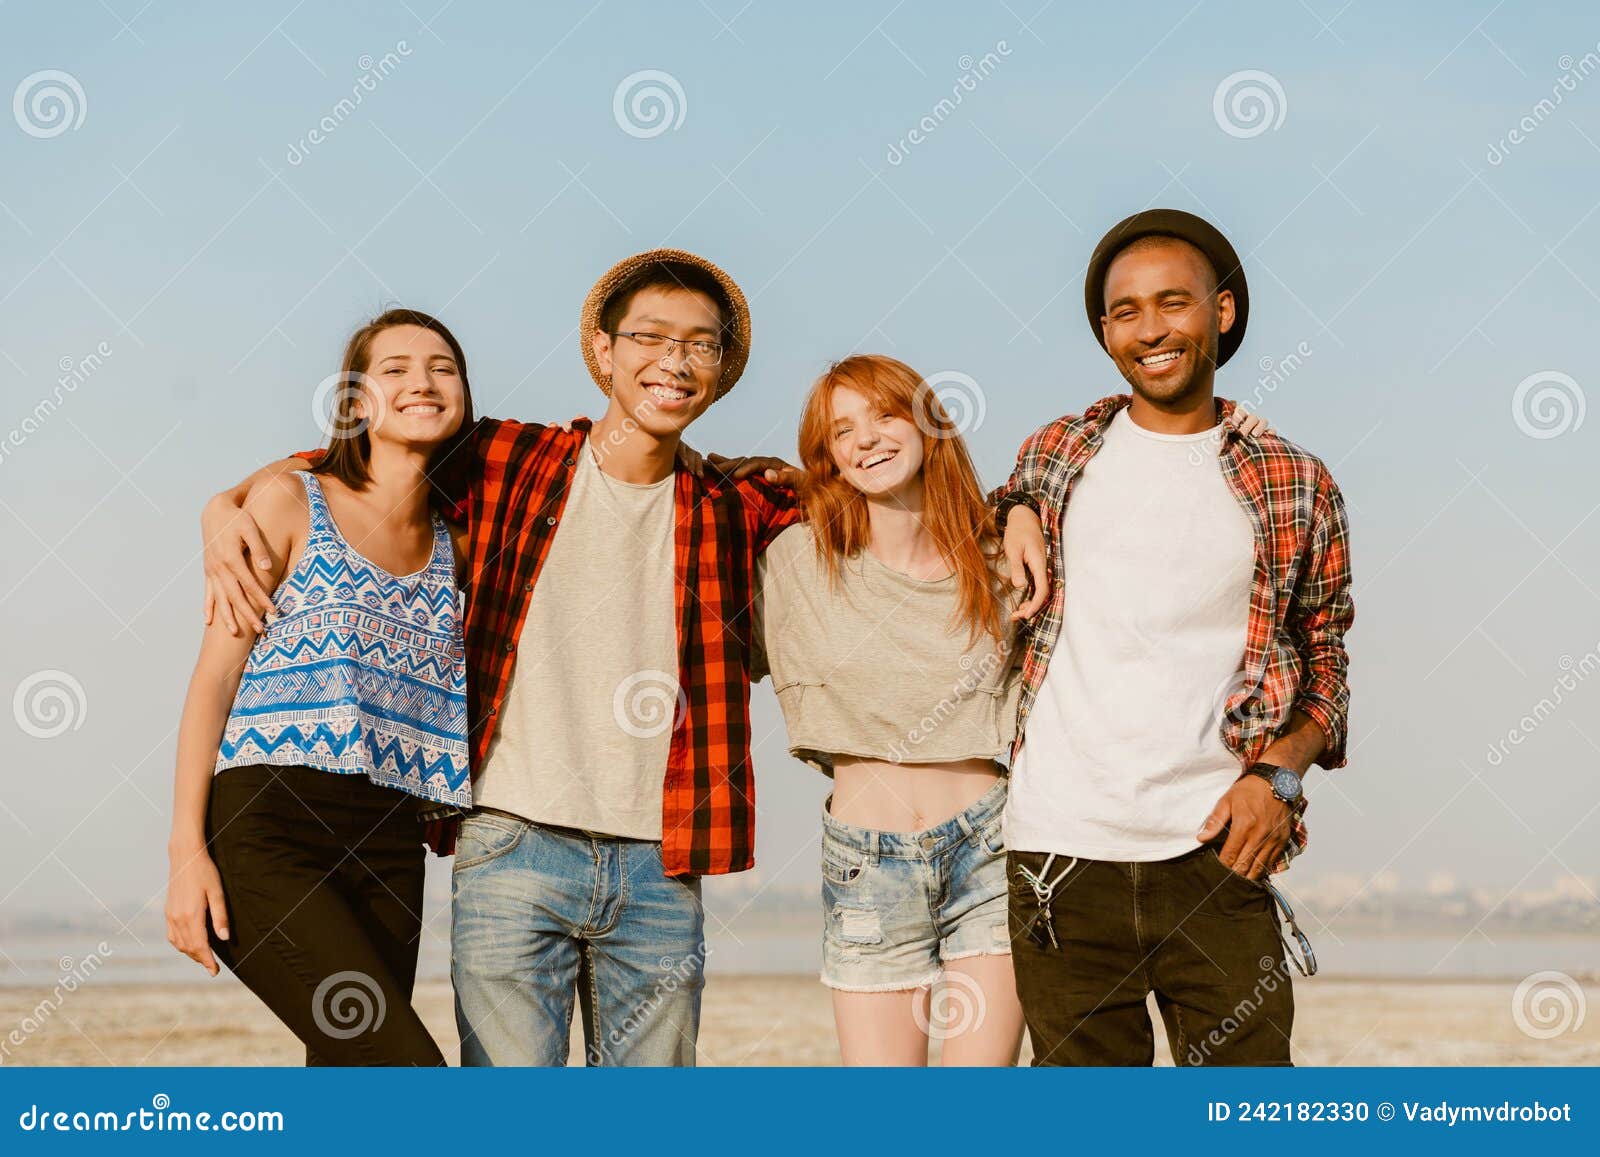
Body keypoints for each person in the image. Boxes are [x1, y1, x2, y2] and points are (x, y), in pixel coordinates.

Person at [199, 250, 798, 1067]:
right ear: (603, 349)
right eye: (651, 337)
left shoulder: (738, 503)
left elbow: (867, 500)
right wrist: (222, 503)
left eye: (700, 344)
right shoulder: (514, 462)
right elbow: (363, 459)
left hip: (662, 863)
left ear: (720, 365)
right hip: (513, 847)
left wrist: (1010, 511)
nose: (674, 360)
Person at [994, 209, 1354, 1066]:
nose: (1150, 329)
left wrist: (1281, 777)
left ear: (1220, 312)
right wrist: (1005, 507)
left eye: (1172, 303)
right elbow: (985, 519)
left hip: (1219, 852)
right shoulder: (1055, 454)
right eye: (1124, 312)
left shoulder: (1292, 477)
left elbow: (1329, 657)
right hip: (1058, 856)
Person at [165, 309, 474, 1065]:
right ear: (356, 402)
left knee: (348, 1079)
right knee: (408, 1069)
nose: (422, 381)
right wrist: (183, 853)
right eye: (394, 368)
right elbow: (214, 680)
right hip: (268, 828)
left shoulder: (455, 545)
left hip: (391, 841)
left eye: (441, 366)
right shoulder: (290, 500)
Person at [754, 354, 1025, 1065]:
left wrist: (1022, 507)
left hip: (992, 850)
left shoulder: (999, 559)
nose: (867, 438)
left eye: (884, 414)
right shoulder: (794, 562)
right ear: (828, 457)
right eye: (842, 430)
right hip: (867, 862)